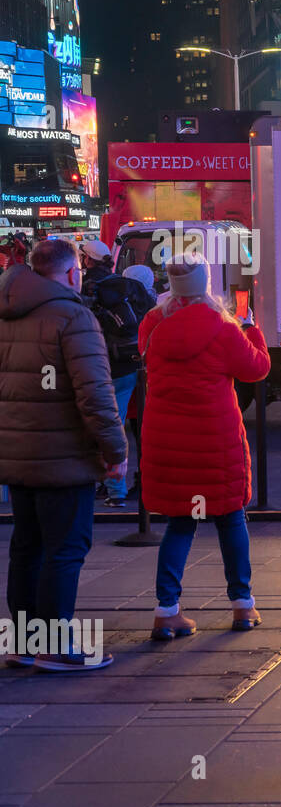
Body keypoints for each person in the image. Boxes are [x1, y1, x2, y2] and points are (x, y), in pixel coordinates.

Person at [0, 240, 126, 671]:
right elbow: (94, 393)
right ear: (74, 273)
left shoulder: (7, 313)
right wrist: (115, 450)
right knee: (65, 549)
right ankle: (55, 645)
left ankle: (23, 639)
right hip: (63, 456)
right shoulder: (73, 317)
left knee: (27, 547)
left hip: (17, 453)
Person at [139, 253, 271, 641]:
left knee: (180, 523)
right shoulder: (224, 327)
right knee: (231, 520)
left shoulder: (154, 322)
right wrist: (252, 330)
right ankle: (242, 606)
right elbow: (257, 369)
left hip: (167, 437)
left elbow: (142, 354)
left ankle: (167, 611)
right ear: (206, 283)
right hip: (216, 438)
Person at [85, 261, 156, 507]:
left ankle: (115, 490)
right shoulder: (150, 302)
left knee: (113, 427)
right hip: (145, 370)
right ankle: (149, 484)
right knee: (147, 432)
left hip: (118, 370)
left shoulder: (109, 301)